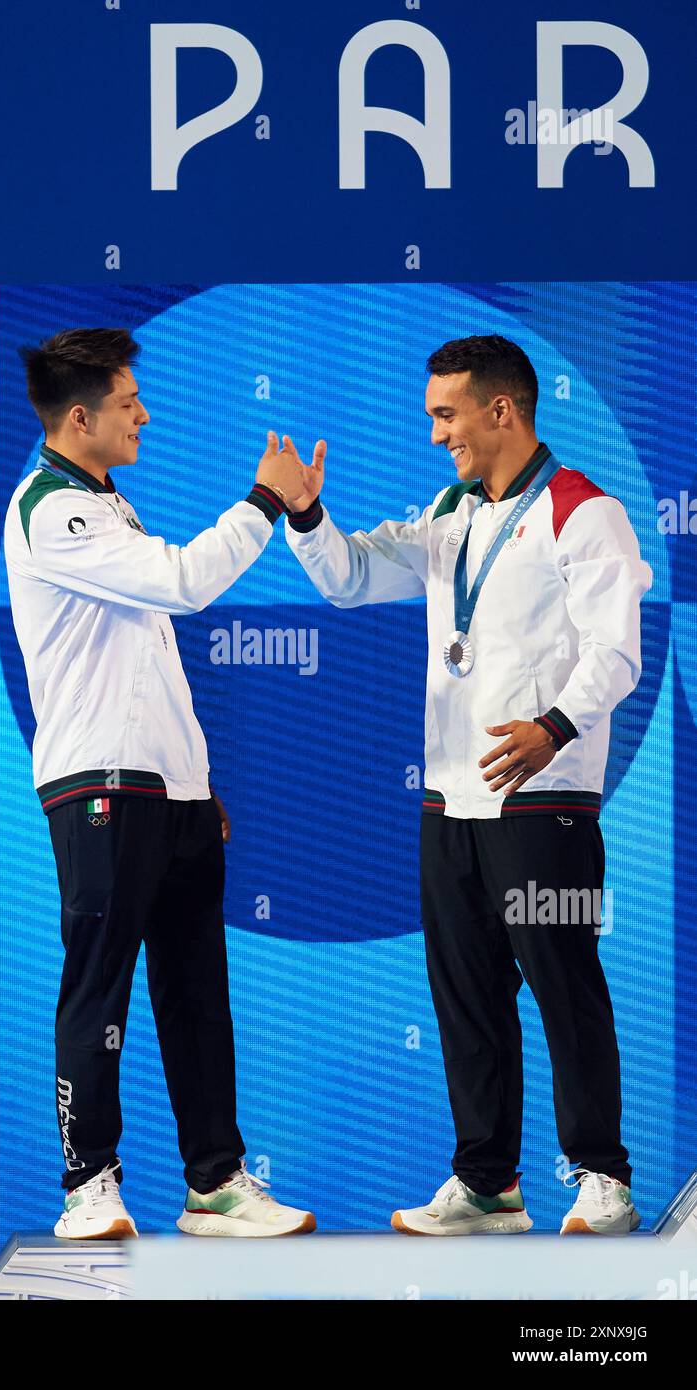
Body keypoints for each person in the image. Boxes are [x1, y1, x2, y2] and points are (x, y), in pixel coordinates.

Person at [284, 334, 652, 1236]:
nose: (436, 434)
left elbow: (617, 653)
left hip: (545, 795)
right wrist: (304, 518)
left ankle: (601, 1174)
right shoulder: (450, 511)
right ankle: (488, 1182)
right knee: (466, 994)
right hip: (452, 800)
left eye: (446, 415)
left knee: (564, 980)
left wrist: (553, 728)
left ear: (502, 410)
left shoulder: (582, 509)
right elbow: (353, 577)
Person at [3, 327, 316, 1238]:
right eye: (128, 399)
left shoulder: (111, 505)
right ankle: (87, 1183)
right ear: (78, 416)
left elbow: (152, 662)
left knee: (195, 985)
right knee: (97, 983)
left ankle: (215, 1183)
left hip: (165, 788)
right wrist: (265, 501)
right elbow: (184, 584)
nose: (144, 412)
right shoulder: (50, 507)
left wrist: (194, 777)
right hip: (98, 780)